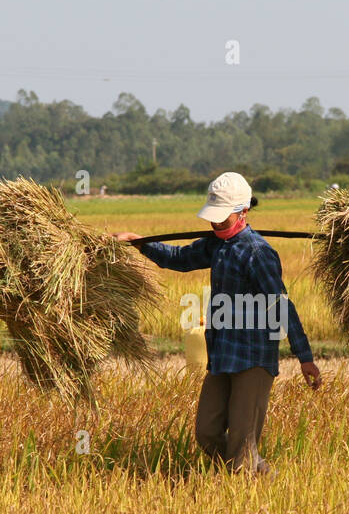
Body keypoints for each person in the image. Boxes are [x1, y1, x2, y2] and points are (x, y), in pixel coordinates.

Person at [115, 172, 321, 476]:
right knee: (206, 432)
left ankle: (246, 487)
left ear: (243, 212)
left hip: (253, 359)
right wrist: (140, 243)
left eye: (222, 219)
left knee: (242, 444)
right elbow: (179, 258)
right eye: (213, 218)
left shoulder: (258, 253)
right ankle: (256, 473)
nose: (215, 224)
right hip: (223, 355)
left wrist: (305, 358)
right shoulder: (216, 245)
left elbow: (281, 305)